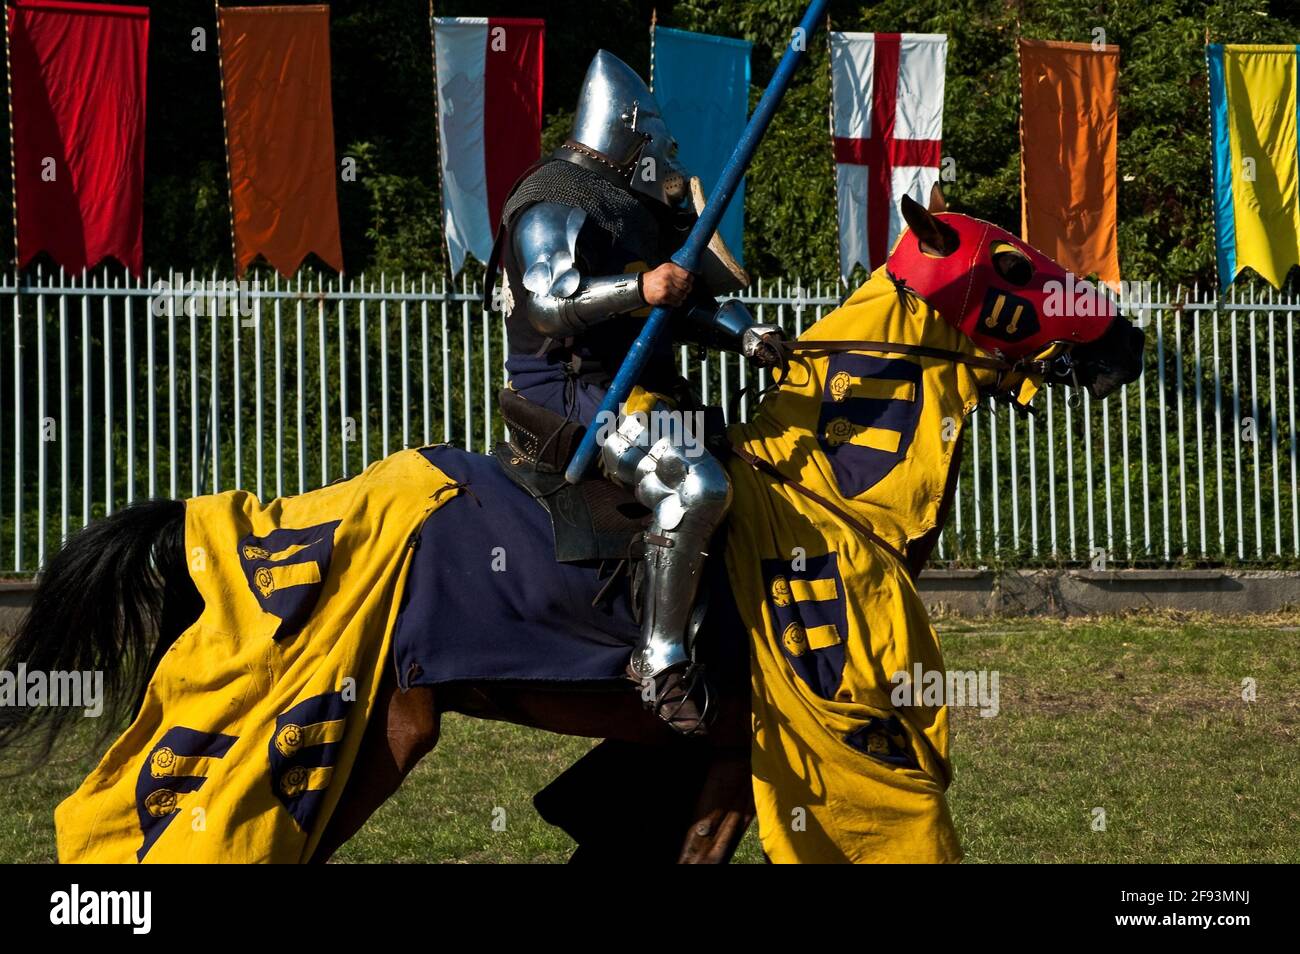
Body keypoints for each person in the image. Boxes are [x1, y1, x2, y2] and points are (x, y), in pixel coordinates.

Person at [487, 50, 782, 734]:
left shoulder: (633, 205)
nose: (663, 150)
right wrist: (640, 287)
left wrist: (745, 335)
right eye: (652, 135)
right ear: (627, 127)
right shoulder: (556, 197)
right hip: (569, 390)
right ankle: (658, 660)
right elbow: (547, 303)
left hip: (636, 390)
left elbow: (681, 300)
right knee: (697, 488)